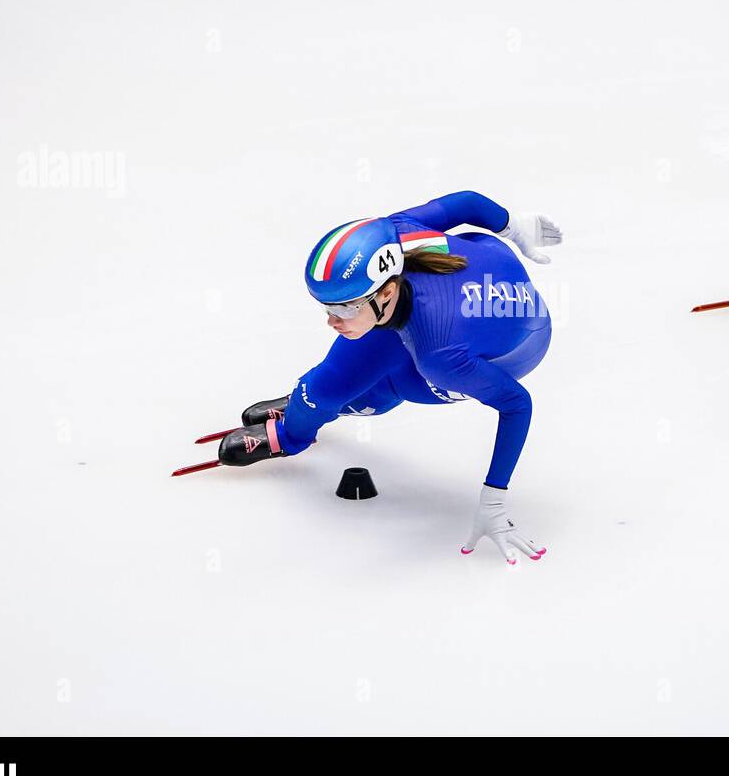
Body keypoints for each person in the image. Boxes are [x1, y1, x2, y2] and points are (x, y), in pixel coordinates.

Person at [216, 191, 561, 565]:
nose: (331, 321)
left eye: (345, 307)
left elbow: (516, 403)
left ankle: (291, 435)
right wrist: (513, 225)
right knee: (330, 383)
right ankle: (309, 407)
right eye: (326, 306)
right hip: (484, 290)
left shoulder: (438, 355)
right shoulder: (395, 232)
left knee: (375, 388)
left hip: (511, 352)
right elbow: (467, 204)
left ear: (387, 292)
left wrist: (493, 498)